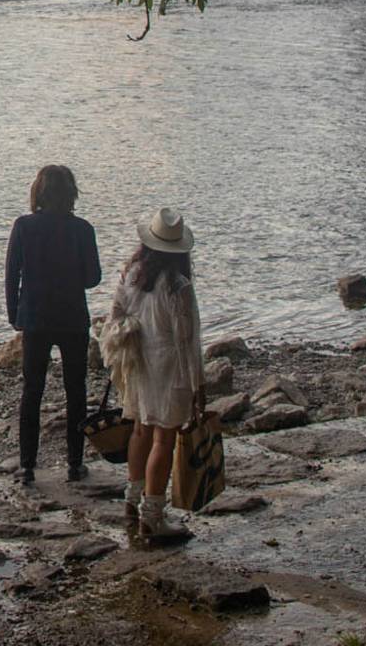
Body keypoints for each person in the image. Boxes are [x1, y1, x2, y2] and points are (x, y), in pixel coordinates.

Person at [100, 208, 203, 542]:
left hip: (139, 363)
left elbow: (114, 316)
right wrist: (198, 384)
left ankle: (132, 501)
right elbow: (188, 341)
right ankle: (153, 517)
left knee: (141, 431)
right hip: (169, 368)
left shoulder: (133, 274)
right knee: (164, 438)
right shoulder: (178, 285)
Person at [4, 165, 102, 486]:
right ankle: (75, 464)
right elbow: (93, 279)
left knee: (32, 391)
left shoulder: (23, 227)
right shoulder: (83, 230)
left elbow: (11, 275)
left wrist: (14, 314)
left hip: (35, 318)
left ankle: (27, 466)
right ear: (71, 194)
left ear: (38, 192)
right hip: (73, 318)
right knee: (76, 392)